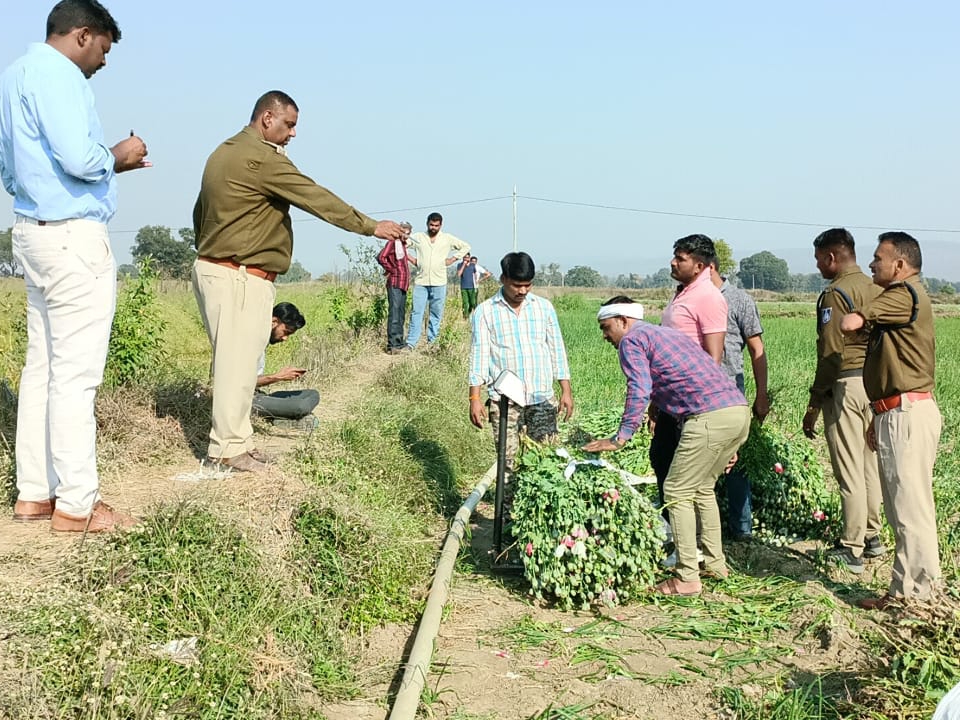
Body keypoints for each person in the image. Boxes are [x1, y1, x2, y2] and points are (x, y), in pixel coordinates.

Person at [192, 90, 405, 473]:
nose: (292, 134)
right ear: (267, 118)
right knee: (235, 369)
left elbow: (200, 211)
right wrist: (371, 226)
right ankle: (225, 450)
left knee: (240, 368)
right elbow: (315, 197)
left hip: (222, 269)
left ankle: (239, 443)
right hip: (238, 275)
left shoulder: (223, 152)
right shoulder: (261, 159)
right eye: (289, 125)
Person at [1, 0, 149, 532]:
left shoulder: (14, 74)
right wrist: (118, 156)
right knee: (75, 376)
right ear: (83, 35)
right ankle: (78, 503)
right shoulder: (61, 76)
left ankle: (34, 494)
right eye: (103, 50)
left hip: (31, 232)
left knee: (40, 369)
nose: (102, 63)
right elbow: (79, 158)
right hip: (73, 237)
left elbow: (9, 170)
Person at [583, 297, 749, 596]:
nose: (605, 336)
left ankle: (687, 577)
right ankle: (715, 564)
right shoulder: (666, 334)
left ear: (623, 321)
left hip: (709, 417)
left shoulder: (632, 341)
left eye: (606, 327)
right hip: (735, 411)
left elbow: (639, 387)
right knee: (702, 489)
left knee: (676, 490)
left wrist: (621, 437)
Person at [840, 232, 941, 609]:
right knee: (905, 507)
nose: (871, 264)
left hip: (907, 413)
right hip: (897, 410)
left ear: (899, 264)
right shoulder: (903, 296)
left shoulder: (903, 293)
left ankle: (916, 598)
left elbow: (851, 323)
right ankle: (907, 591)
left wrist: (855, 312)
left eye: (878, 258)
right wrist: (876, 416)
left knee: (909, 509)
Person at [803, 228, 884, 574]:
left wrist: (815, 401)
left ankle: (852, 548)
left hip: (847, 384)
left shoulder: (836, 294)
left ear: (833, 257)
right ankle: (873, 536)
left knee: (849, 468)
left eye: (820, 259)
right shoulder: (876, 287)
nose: (819, 265)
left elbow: (832, 353)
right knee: (869, 465)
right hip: (874, 385)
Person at [469, 252, 574, 473]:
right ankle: (506, 508)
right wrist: (475, 398)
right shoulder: (485, 312)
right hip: (505, 402)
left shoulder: (543, 308)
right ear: (503, 279)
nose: (523, 291)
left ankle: (540, 508)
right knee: (508, 464)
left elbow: (557, 349)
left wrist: (566, 390)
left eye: (528, 285)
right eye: (517, 285)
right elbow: (479, 356)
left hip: (541, 397)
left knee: (546, 463)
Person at [650, 235, 728, 513]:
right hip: (671, 400)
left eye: (680, 258)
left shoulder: (708, 297)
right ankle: (675, 531)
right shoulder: (683, 292)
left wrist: (695, 406)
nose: (673, 262)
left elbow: (713, 357)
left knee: (683, 474)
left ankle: (689, 540)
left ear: (699, 265)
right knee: (661, 458)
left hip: (691, 403)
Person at [708, 257, 769, 539]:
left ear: (707, 267)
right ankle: (705, 529)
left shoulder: (739, 300)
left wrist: (761, 395)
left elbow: (757, 350)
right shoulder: (686, 299)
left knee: (736, 462)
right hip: (694, 395)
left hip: (731, 392)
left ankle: (740, 527)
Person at [405, 212, 470, 348]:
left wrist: (453, 258)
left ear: (441, 225)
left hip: (439, 282)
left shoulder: (447, 238)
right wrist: (412, 259)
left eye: (436, 225)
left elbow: (466, 247)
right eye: (431, 225)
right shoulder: (418, 237)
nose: (433, 228)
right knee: (416, 312)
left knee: (435, 314)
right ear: (427, 224)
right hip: (421, 281)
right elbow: (403, 244)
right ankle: (411, 343)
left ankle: (432, 342)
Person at [252, 302, 319, 426]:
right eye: (286, 332)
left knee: (313, 394)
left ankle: (278, 414)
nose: (285, 338)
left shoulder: (263, 342)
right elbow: (241, 383)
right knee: (301, 405)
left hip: (257, 394)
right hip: (244, 400)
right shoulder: (250, 341)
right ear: (274, 321)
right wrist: (278, 377)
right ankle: (277, 418)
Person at [376, 221, 414, 353]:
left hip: (403, 284)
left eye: (407, 233)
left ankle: (399, 342)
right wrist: (391, 269)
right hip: (395, 282)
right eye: (402, 232)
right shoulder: (393, 243)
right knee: (394, 313)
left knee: (401, 313)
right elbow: (381, 257)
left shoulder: (403, 246)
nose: (405, 235)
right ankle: (392, 345)